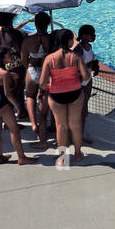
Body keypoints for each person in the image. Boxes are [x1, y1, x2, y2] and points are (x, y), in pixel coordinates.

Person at [40, 28, 90, 166]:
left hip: (56, 96)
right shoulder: (76, 57)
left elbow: (42, 84)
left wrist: (54, 88)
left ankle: (62, 159)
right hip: (75, 93)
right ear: (68, 41)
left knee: (60, 127)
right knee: (76, 125)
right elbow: (86, 76)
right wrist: (77, 83)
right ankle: (78, 153)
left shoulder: (50, 59)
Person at [0, 49, 33, 165]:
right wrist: (17, 105)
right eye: (9, 55)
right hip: (2, 102)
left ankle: (0, 157)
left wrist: (10, 74)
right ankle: (22, 158)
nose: (11, 56)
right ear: (3, 58)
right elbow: (7, 94)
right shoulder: (5, 73)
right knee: (14, 130)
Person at [22, 12, 56, 147]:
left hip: (33, 71)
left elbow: (24, 60)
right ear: (48, 24)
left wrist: (30, 66)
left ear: (35, 24)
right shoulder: (52, 38)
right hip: (47, 73)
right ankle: (44, 130)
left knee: (30, 96)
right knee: (44, 107)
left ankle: (33, 124)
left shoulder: (27, 40)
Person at [74, 24, 99, 146]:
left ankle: (79, 135)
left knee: (84, 110)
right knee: (81, 111)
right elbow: (75, 68)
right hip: (80, 83)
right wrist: (90, 65)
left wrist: (95, 66)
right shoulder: (78, 50)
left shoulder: (89, 46)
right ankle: (78, 137)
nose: (93, 36)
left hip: (87, 81)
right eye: (91, 34)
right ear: (83, 36)